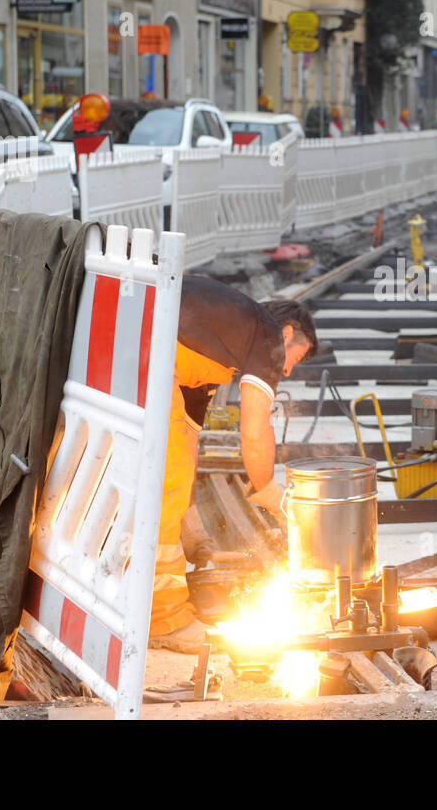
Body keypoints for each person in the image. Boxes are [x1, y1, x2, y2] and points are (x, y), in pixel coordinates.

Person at [148, 278, 316, 652]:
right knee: (162, 483)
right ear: (288, 334)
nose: (287, 371)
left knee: (163, 475)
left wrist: (193, 534)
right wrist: (268, 491)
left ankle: (133, 597)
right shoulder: (268, 334)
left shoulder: (206, 352)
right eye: (297, 357)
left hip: (132, 346)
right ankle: (163, 620)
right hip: (142, 349)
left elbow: (186, 445)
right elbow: (255, 428)